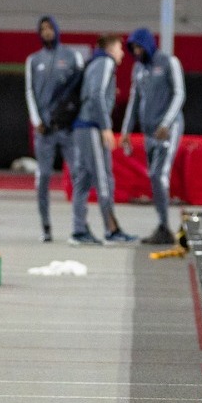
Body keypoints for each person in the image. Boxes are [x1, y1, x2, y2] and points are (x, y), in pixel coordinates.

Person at [119, 28, 185, 245]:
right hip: (149, 132)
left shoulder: (169, 62)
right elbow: (134, 100)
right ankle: (162, 225)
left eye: (139, 47)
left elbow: (179, 94)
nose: (137, 51)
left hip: (168, 129)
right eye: (133, 48)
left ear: (148, 44)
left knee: (159, 175)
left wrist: (166, 123)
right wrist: (126, 130)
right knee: (154, 176)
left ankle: (165, 227)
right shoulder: (138, 68)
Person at [70, 34, 134, 245]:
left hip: (81, 127)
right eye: (119, 48)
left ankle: (79, 230)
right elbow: (96, 94)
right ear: (110, 48)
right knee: (103, 179)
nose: (122, 53)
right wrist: (106, 127)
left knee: (83, 179)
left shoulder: (93, 63)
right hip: (92, 127)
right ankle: (111, 229)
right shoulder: (106, 62)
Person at [25, 15, 81, 242]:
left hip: (67, 129)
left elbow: (79, 90)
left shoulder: (72, 56)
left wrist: (75, 119)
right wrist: (36, 120)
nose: (47, 32)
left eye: (50, 28)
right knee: (43, 177)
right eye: (43, 29)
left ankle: (79, 226)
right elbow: (29, 91)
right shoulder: (33, 60)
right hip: (44, 130)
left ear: (57, 30)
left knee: (78, 175)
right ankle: (46, 227)